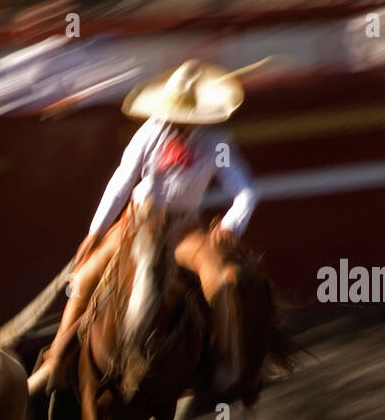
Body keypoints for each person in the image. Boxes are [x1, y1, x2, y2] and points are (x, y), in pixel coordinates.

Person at [26, 59, 261, 395]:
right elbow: (121, 182)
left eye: (184, 118)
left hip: (184, 229)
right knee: (83, 278)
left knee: (218, 284)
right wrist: (95, 232)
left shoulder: (215, 142)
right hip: (136, 222)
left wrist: (230, 225)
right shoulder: (149, 132)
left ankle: (223, 357)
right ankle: (56, 357)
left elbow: (246, 189)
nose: (176, 123)